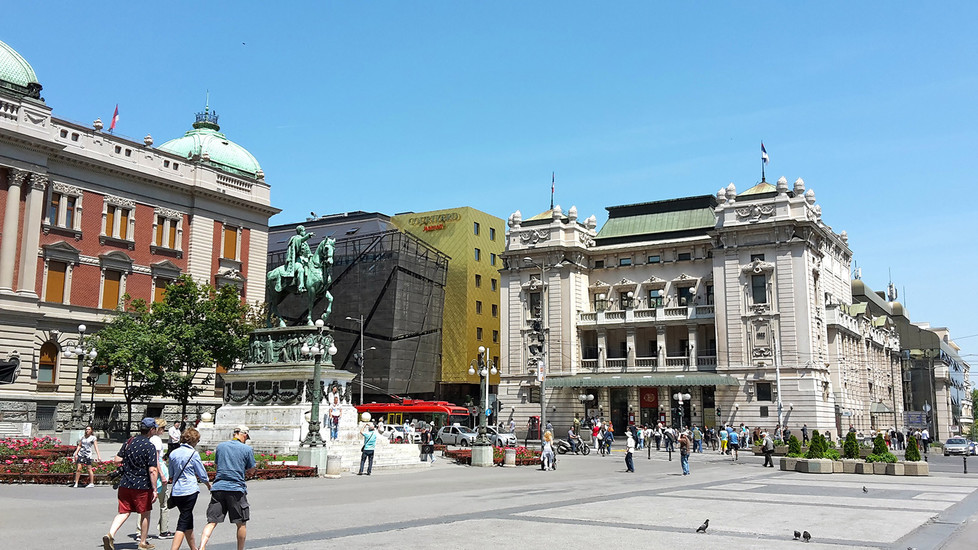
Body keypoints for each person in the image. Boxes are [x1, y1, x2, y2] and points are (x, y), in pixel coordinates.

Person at [103, 417, 160, 550]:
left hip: (125, 484)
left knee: (123, 512)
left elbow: (117, 460)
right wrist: (155, 489)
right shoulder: (149, 446)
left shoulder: (129, 441)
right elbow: (152, 470)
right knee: (145, 513)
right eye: (155, 428)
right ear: (151, 430)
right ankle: (143, 542)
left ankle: (110, 534)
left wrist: (129, 464)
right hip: (142, 486)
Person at [199, 425, 256, 550]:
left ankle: (202, 546)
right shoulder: (247, 449)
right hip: (236, 489)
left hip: (218, 487)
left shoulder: (221, 446)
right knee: (241, 523)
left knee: (212, 521)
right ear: (244, 434)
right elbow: (251, 470)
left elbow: (217, 464)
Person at [167, 427, 212, 550]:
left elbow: (170, 474)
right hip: (189, 490)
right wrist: (208, 485)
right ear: (193, 441)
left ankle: (193, 548)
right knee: (183, 522)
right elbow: (202, 473)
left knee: (187, 518)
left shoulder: (173, 453)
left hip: (177, 491)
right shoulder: (193, 453)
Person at [151, 418, 173, 539]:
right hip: (159, 474)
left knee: (145, 505)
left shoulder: (149, 439)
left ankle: (139, 532)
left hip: (150, 474)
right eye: (163, 428)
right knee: (164, 503)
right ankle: (163, 530)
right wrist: (163, 475)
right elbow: (157, 459)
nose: (164, 430)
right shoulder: (157, 440)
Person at [283, 225, 314, 293]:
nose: (304, 232)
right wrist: (307, 236)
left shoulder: (305, 243)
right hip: (298, 260)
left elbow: (307, 251)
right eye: (303, 230)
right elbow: (300, 241)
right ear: (300, 231)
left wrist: (310, 255)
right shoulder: (295, 238)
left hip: (305, 260)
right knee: (301, 270)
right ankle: (300, 286)